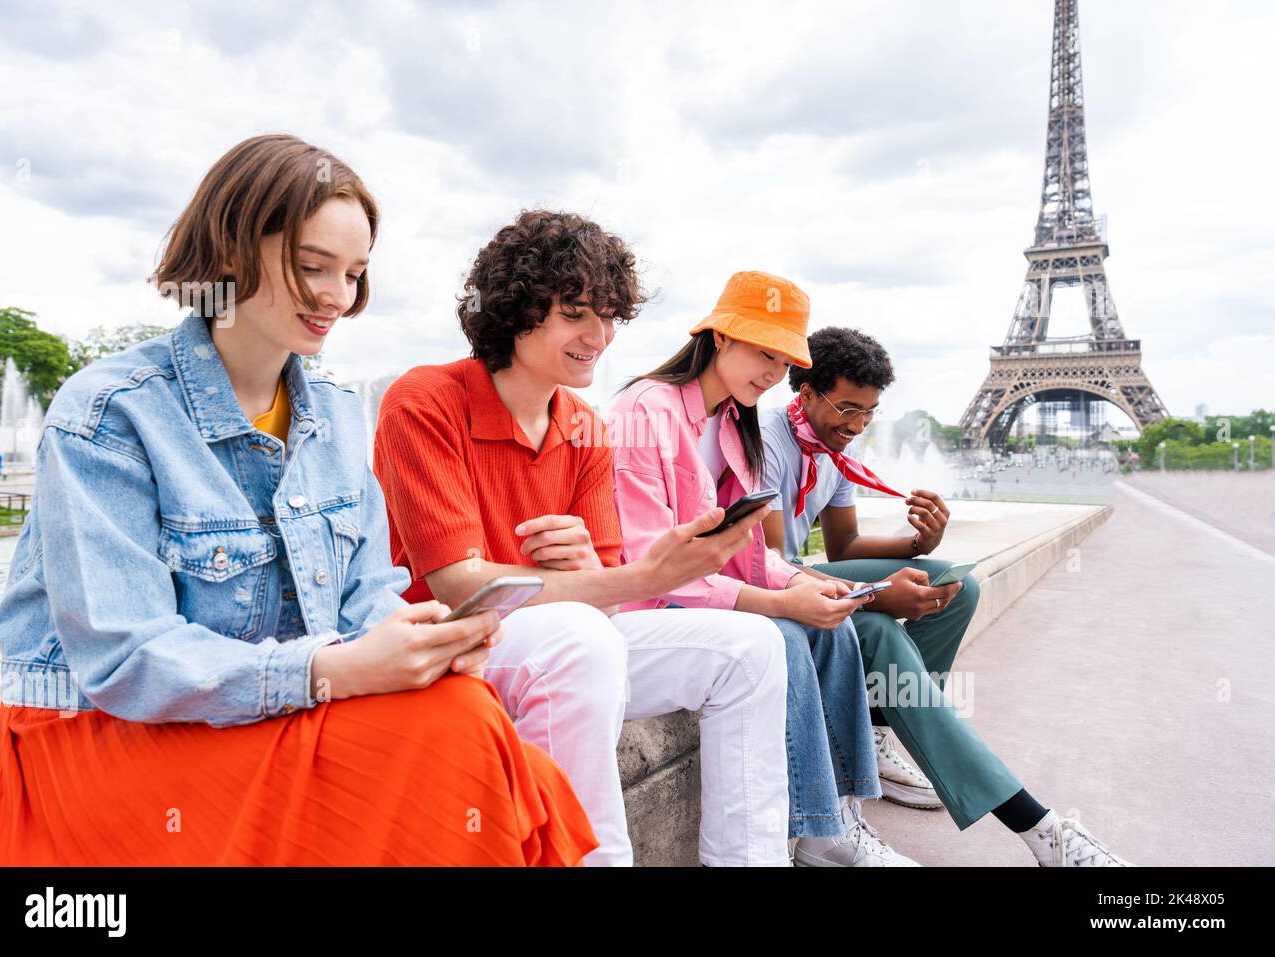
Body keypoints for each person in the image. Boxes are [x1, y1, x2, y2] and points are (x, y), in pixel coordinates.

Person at [0, 134, 596, 867]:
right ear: (232, 252)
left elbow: (367, 597)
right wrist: (334, 669)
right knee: (463, 743)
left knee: (463, 712)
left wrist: (426, 637)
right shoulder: (111, 413)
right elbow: (125, 657)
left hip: (256, 716)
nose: (338, 296)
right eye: (313, 267)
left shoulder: (335, 412)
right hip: (99, 738)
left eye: (355, 274)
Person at [374, 210, 791, 866]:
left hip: (559, 638)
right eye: (576, 313)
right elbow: (460, 586)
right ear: (514, 308)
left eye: (609, 316)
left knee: (751, 648)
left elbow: (608, 603)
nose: (600, 336)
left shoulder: (589, 428)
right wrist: (644, 575)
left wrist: (600, 579)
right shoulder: (422, 400)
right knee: (581, 640)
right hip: (453, 642)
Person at [759, 324, 1133, 866]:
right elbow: (773, 564)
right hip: (771, 587)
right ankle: (1041, 830)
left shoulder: (831, 448)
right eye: (847, 409)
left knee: (956, 584)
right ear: (806, 391)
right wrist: (878, 595)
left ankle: (882, 731)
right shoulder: (768, 438)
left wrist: (919, 541)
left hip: (801, 574)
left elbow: (841, 546)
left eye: (869, 412)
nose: (858, 425)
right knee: (878, 626)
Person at [610, 270, 916, 867]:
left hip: (696, 596)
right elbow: (654, 566)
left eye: (784, 359)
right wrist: (782, 602)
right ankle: (815, 829)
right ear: (720, 337)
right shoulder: (646, 411)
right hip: (649, 606)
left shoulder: (732, 421)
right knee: (781, 635)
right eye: (762, 352)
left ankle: (839, 821)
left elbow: (751, 553)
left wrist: (805, 581)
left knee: (835, 627)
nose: (775, 372)